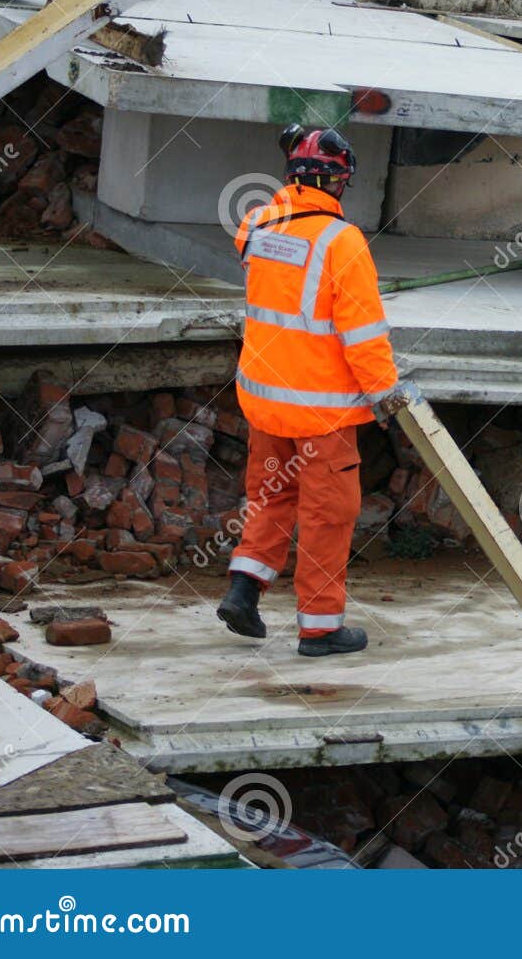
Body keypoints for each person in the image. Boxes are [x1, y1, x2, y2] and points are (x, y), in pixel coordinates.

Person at [216, 125, 403, 655]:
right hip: (323, 413)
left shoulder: (256, 225)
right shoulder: (343, 243)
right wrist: (385, 395)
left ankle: (244, 591)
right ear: (340, 182)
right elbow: (363, 336)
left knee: (270, 496)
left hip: (265, 401)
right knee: (326, 514)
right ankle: (320, 628)